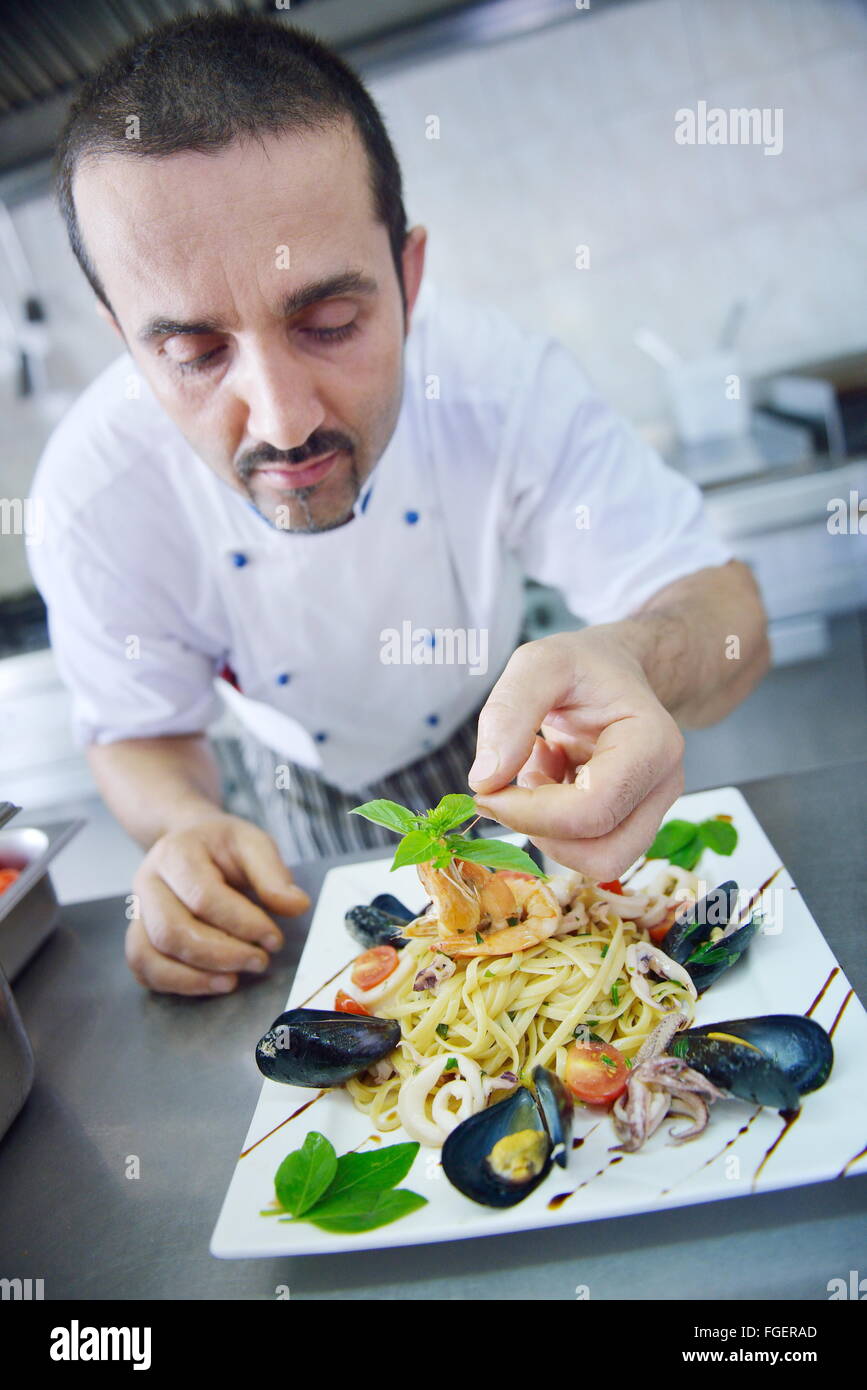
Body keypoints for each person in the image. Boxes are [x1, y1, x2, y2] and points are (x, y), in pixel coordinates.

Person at [29, 15, 769, 997]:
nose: (285, 422)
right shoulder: (91, 499)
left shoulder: (498, 383)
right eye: (196, 355)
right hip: (302, 798)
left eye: (330, 323)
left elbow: (728, 615)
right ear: (126, 339)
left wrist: (638, 657)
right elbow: (137, 728)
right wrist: (182, 828)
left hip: (509, 758)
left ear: (410, 281)